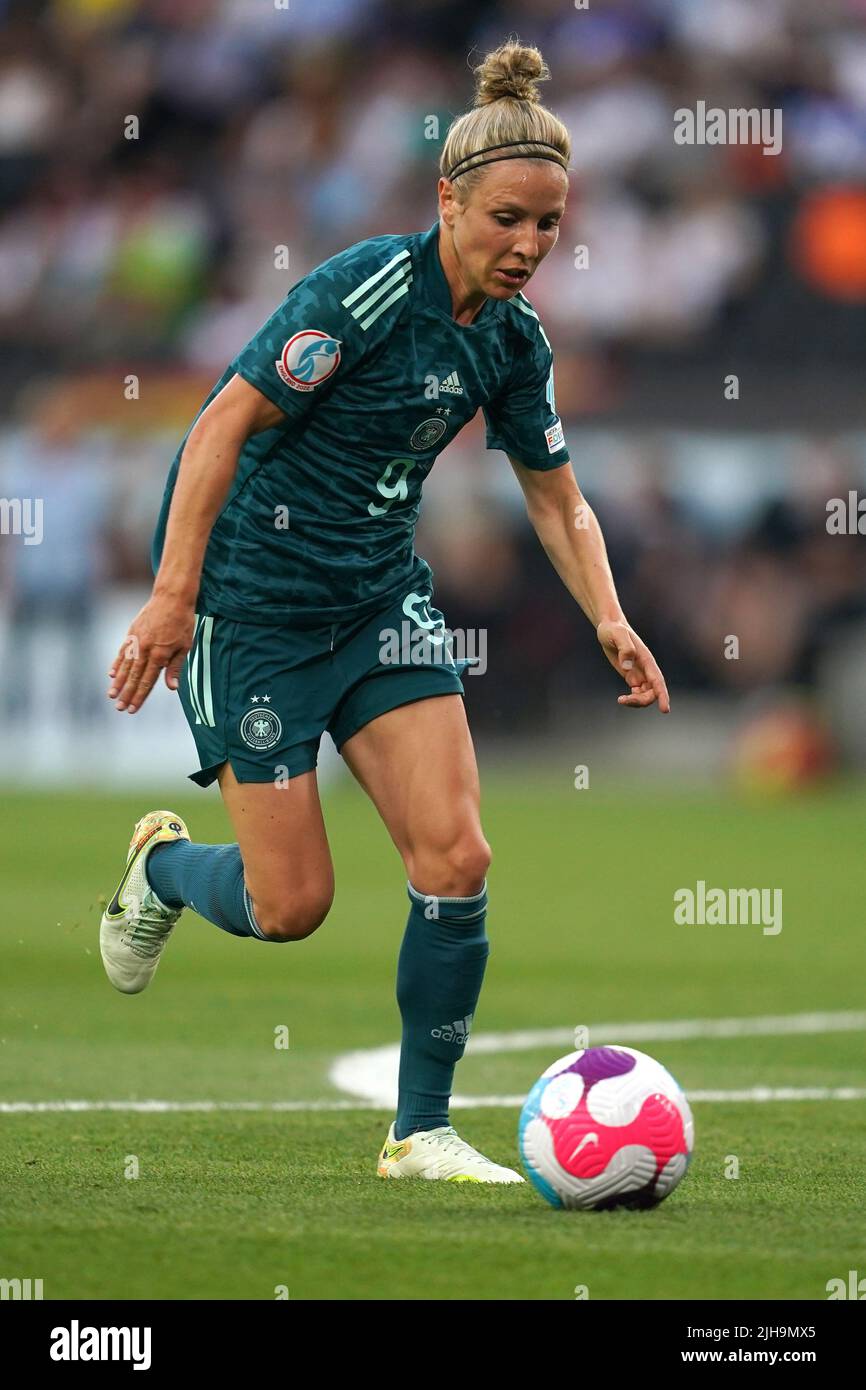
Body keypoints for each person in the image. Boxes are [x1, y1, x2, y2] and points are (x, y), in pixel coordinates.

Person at [100, 40, 669, 1184]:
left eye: (549, 226)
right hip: (252, 611)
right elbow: (218, 426)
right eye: (507, 218)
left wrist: (607, 614)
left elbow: (557, 503)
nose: (528, 247)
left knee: (456, 855)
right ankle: (160, 870)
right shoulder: (359, 292)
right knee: (290, 904)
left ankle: (419, 1131)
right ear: (446, 199)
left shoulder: (512, 341)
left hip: (377, 602)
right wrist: (173, 596)